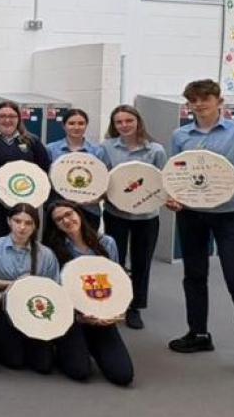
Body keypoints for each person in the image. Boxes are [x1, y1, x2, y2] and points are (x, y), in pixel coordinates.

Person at [166, 79, 234, 380]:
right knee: (194, 276)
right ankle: (198, 334)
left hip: (230, 216)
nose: (199, 105)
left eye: (204, 99)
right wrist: (174, 197)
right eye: (192, 101)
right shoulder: (180, 135)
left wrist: (229, 182)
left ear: (219, 101)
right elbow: (176, 174)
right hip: (192, 215)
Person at [44, 200, 134, 386]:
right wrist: (80, 317)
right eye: (59, 219)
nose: (66, 220)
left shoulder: (106, 243)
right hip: (72, 319)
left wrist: (116, 314)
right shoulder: (53, 251)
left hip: (101, 316)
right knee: (79, 371)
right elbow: (54, 292)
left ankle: (92, 344)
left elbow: (118, 283)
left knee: (123, 375)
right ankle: (66, 345)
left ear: (79, 213)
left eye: (69, 214)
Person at [100, 104, 167, 331]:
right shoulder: (107, 147)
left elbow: (162, 182)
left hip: (147, 216)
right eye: (119, 122)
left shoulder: (155, 150)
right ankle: (115, 302)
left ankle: (135, 306)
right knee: (115, 259)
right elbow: (103, 178)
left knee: (141, 261)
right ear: (114, 125)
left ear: (138, 121)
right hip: (115, 213)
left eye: (128, 120)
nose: (124, 125)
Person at [0, 204, 64, 375]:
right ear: (8, 221)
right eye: (17, 221)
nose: (22, 227)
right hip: (4, 309)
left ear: (35, 226)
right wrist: (16, 284)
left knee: (43, 365)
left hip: (34, 309)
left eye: (28, 223)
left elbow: (54, 288)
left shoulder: (46, 254)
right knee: (14, 361)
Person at [0, 101, 51, 243]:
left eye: (12, 116)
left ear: (18, 119)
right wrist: (5, 188)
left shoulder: (32, 141)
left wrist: (24, 190)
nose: (7, 120)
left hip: (21, 209)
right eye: (2, 116)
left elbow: (43, 169)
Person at [45, 108, 109, 231]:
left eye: (81, 123)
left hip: (89, 210)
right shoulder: (51, 149)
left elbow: (105, 182)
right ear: (64, 126)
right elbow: (45, 180)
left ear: (86, 126)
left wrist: (91, 199)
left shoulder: (97, 151)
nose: (76, 127)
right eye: (71, 123)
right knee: (58, 247)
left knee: (87, 248)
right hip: (60, 210)